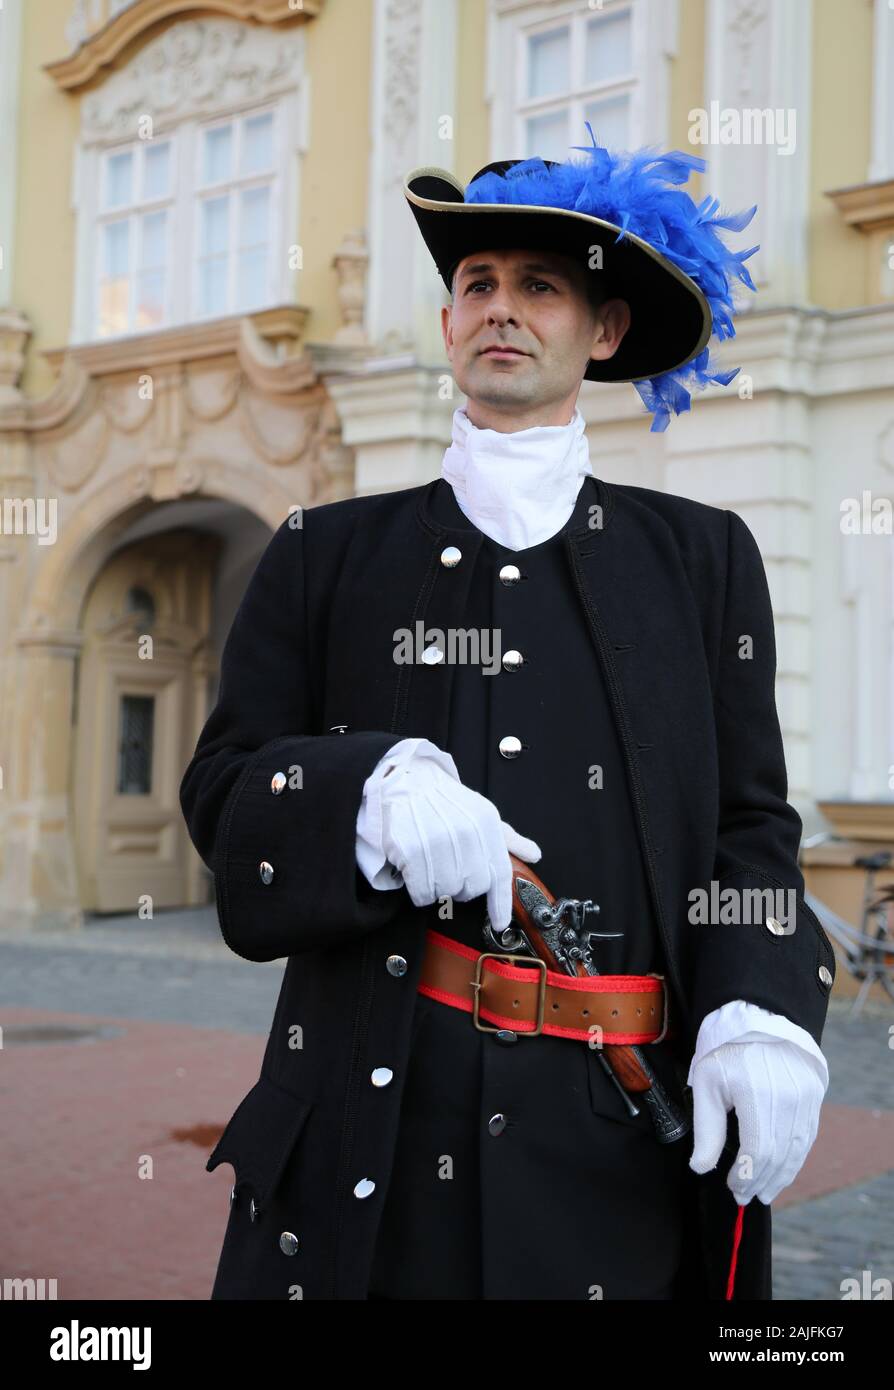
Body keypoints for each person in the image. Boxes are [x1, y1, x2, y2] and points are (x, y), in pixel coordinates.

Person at [180, 126, 835, 1301]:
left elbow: (750, 830)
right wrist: (362, 791)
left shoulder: (703, 561)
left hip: (618, 1134)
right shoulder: (322, 555)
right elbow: (224, 797)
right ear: (445, 326)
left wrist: (761, 1009)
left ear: (605, 330)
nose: (500, 308)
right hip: (374, 1123)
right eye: (476, 284)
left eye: (541, 287)